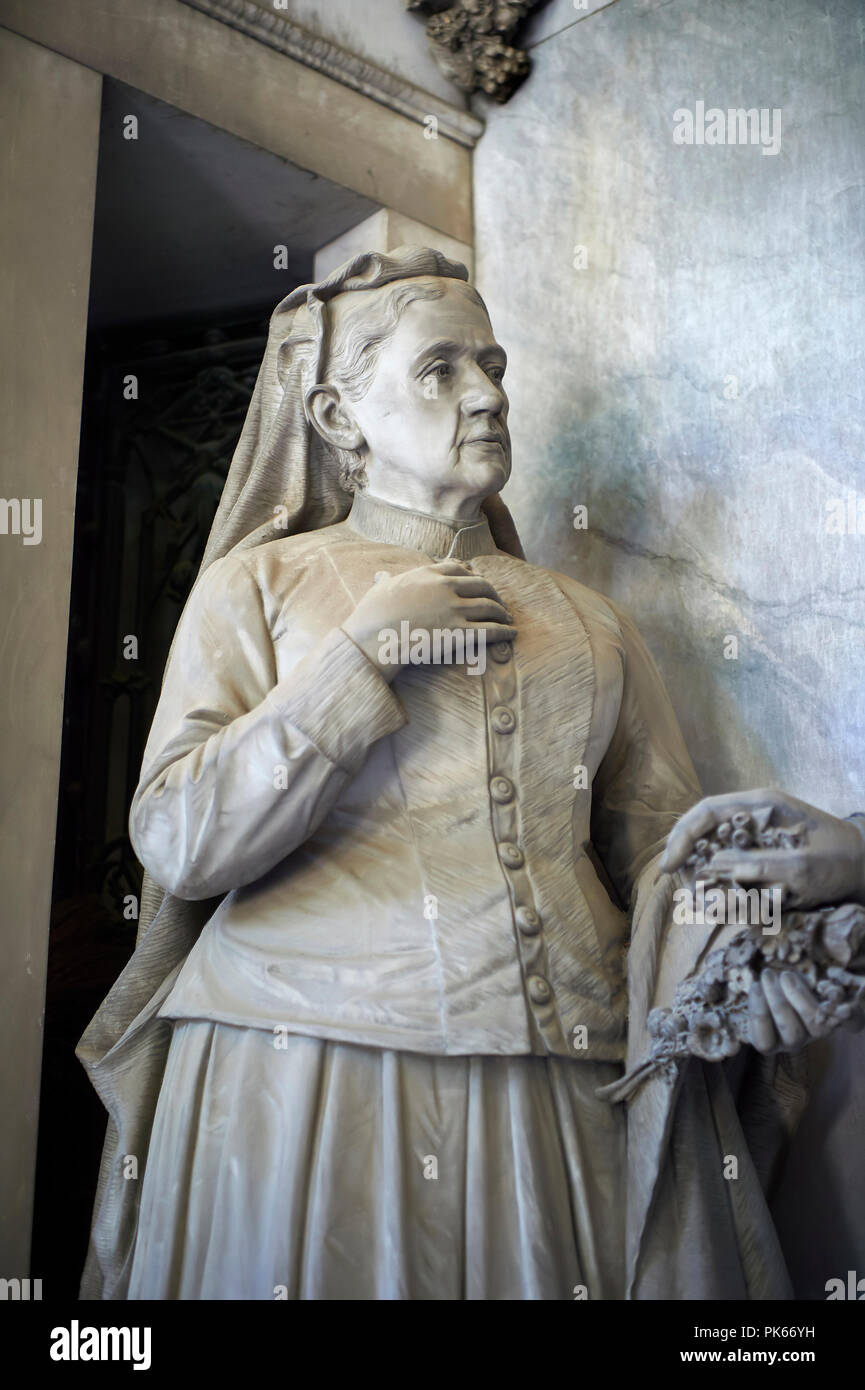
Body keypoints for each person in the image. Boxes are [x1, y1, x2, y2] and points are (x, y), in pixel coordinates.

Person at [78, 246, 865, 1300]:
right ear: (336, 417)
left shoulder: (593, 623)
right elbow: (179, 841)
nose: (488, 393)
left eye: (491, 363)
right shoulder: (260, 585)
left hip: (566, 1074)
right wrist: (358, 659)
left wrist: (780, 896)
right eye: (439, 369)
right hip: (306, 1066)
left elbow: (658, 869)